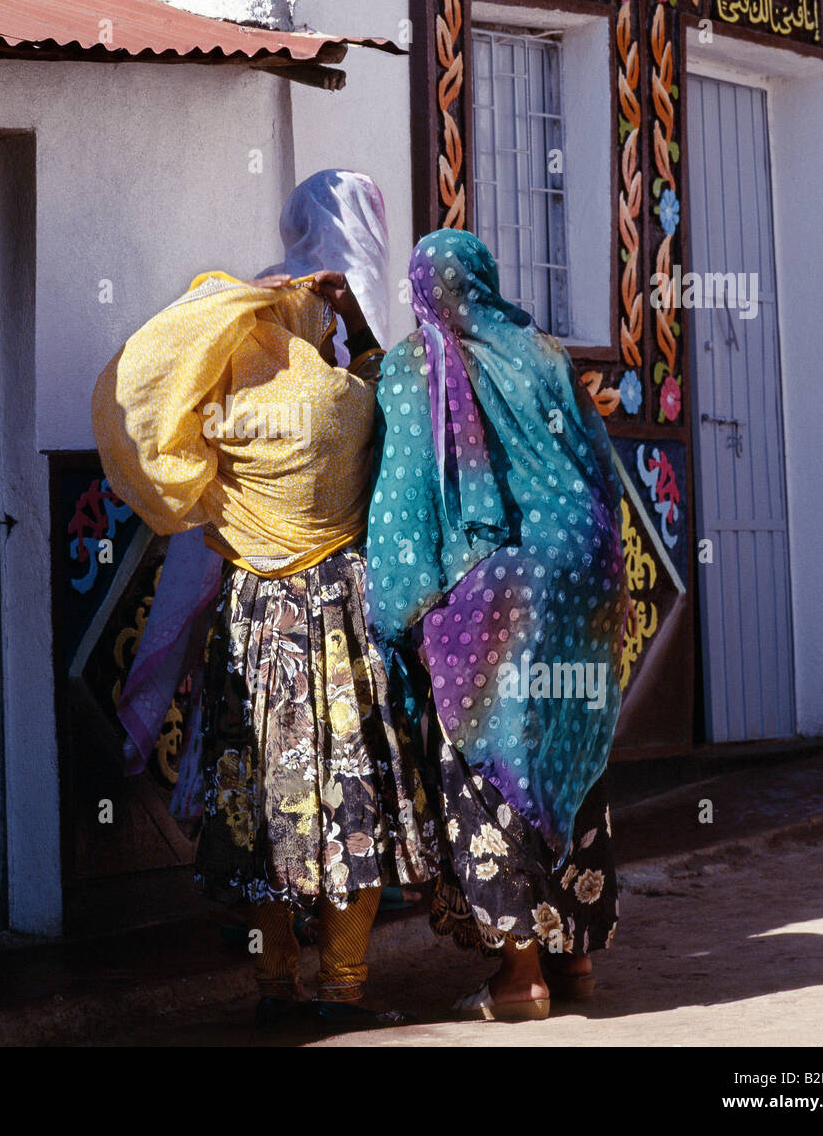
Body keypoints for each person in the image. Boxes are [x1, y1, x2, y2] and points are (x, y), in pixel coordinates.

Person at [92, 250, 438, 1027]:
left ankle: (276, 982)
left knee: (258, 808)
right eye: (323, 326)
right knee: (349, 801)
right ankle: (343, 985)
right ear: (301, 320)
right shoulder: (344, 402)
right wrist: (353, 318)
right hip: (337, 622)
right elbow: (391, 385)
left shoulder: (220, 415)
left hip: (252, 622)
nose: (330, 338)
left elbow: (157, 395)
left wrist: (226, 312)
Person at [366, 228, 629, 1021]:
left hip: (497, 585)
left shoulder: (416, 363)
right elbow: (599, 465)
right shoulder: (543, 351)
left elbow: (405, 496)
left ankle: (521, 977)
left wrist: (395, 607)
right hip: (584, 569)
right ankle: (574, 957)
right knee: (568, 743)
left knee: (493, 764)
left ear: (422, 291)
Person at [114, 171, 391, 794]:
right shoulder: (332, 309)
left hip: (243, 566)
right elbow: (365, 413)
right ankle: (339, 844)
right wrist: (355, 325)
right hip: (330, 579)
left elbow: (183, 379)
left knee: (253, 730)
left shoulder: (252, 297)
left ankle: (239, 830)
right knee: (332, 744)